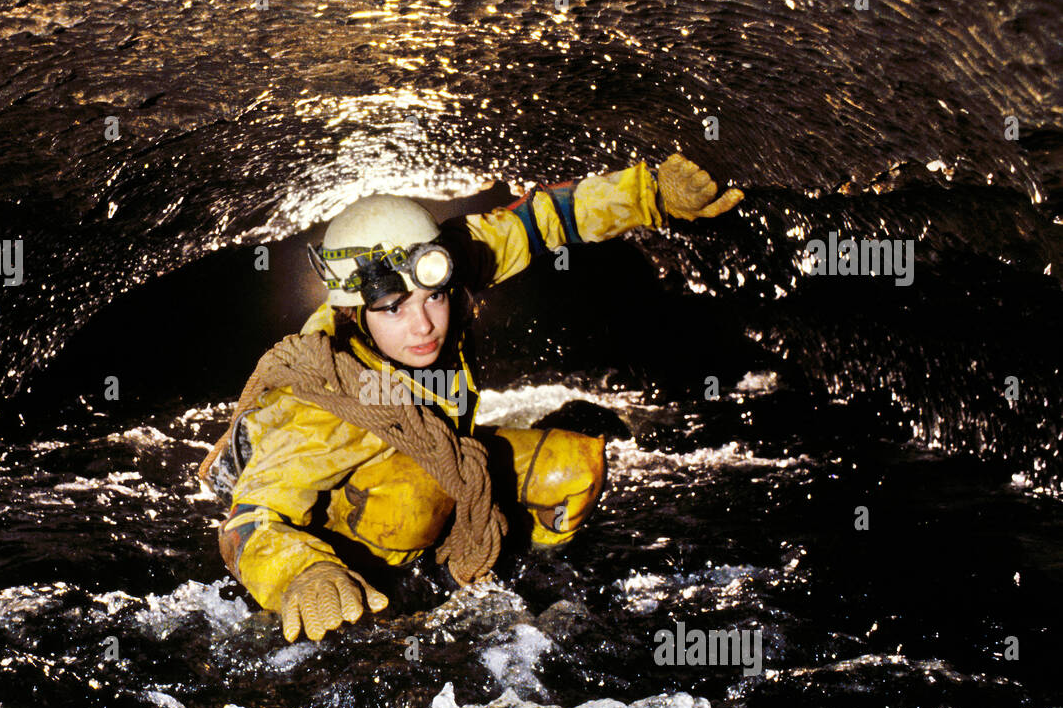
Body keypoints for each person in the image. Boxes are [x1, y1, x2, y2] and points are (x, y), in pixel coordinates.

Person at [200, 154, 743, 643]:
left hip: (442, 452)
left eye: (434, 295)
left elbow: (541, 220)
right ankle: (397, 601)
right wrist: (305, 574)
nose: (424, 326)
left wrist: (650, 194)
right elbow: (251, 521)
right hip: (346, 517)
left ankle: (501, 585)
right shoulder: (322, 397)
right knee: (422, 487)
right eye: (393, 309)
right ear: (353, 310)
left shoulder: (453, 269)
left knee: (573, 468)